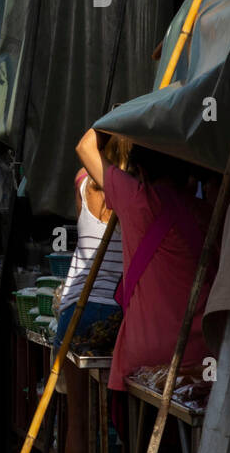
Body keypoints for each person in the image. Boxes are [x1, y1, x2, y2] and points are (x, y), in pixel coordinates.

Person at [75, 129, 214, 395]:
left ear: (141, 170)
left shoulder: (138, 199)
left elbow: (84, 147)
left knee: (140, 434)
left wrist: (120, 118)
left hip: (146, 355)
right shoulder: (209, 213)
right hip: (203, 353)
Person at [54, 135, 127, 453]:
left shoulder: (84, 182)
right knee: (115, 416)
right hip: (110, 311)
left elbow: (85, 148)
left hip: (74, 308)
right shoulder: (130, 192)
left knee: (78, 419)